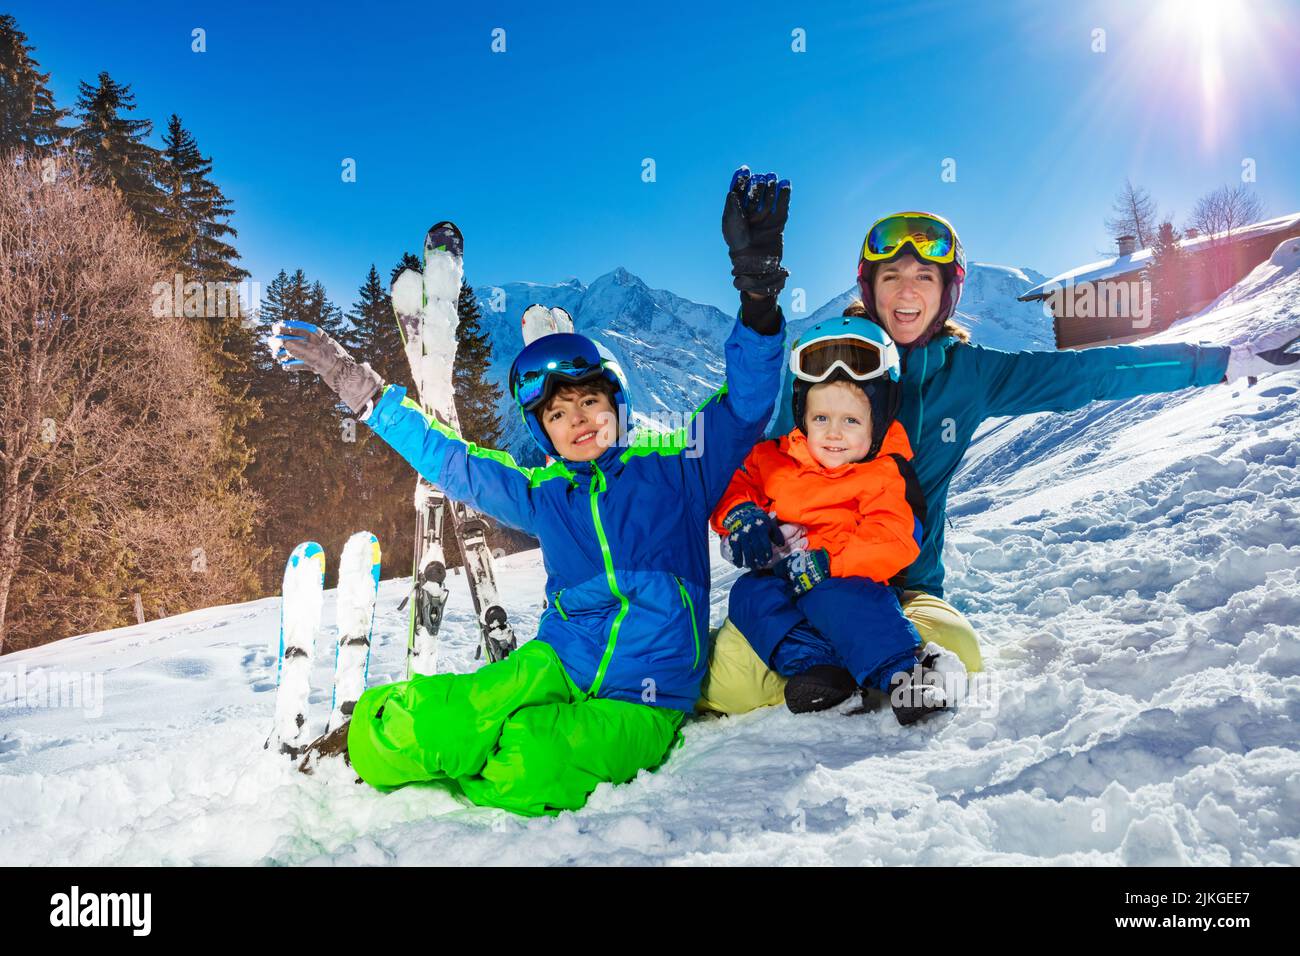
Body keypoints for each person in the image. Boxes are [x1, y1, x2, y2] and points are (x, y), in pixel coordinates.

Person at [270, 166, 790, 815]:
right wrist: (366, 394)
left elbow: (746, 404)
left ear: (617, 405)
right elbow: (452, 461)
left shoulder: (677, 467)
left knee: (531, 762)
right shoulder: (545, 493)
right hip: (555, 662)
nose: (578, 420)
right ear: (543, 431)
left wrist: (758, 291)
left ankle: (458, 760)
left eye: (590, 402)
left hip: (643, 694)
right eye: (557, 413)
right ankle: (368, 743)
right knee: (452, 715)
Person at [699, 210, 1300, 716]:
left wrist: (1223, 360)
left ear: (947, 292)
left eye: (924, 276)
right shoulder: (822, 363)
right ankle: (826, 664)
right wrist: (756, 302)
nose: (907, 291)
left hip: (899, 583)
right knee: (729, 686)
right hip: (791, 583)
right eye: (892, 275)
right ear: (869, 286)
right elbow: (744, 435)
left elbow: (1087, 374)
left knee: (959, 648)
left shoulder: (970, 374)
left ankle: (850, 662)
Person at [711, 316, 952, 723]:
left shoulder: (883, 473)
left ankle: (903, 674)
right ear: (802, 415)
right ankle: (820, 671)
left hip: (845, 581)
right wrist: (741, 516)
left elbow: (894, 538)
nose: (833, 434)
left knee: (836, 597)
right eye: (821, 418)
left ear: (879, 419)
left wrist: (828, 564)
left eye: (851, 421)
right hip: (783, 579)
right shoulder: (775, 458)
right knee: (749, 595)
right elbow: (736, 483)